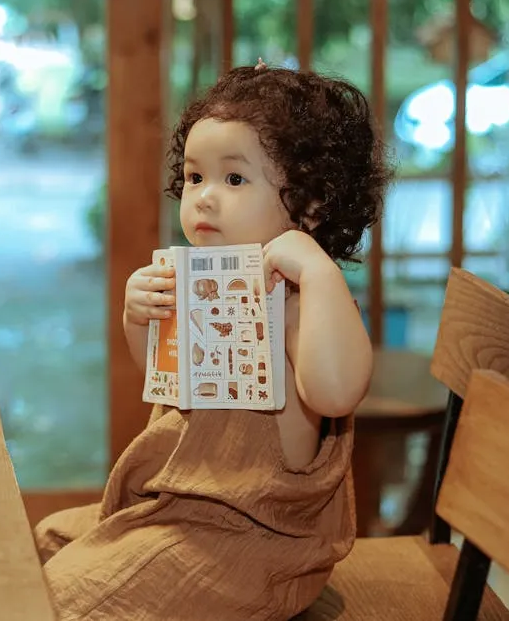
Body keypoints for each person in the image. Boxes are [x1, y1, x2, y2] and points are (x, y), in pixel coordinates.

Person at [34, 59, 392, 620]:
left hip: (252, 542)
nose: (203, 197)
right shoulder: (205, 282)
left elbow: (336, 393)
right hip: (177, 508)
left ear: (311, 205)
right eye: (195, 177)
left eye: (234, 178)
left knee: (69, 597)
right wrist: (140, 317)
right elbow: (166, 380)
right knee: (46, 539)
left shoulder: (304, 300)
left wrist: (319, 275)